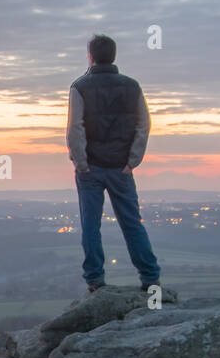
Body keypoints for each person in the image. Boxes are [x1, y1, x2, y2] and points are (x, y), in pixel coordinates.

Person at [66, 34, 161, 294]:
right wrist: (132, 161)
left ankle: (95, 281)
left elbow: (75, 128)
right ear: (114, 55)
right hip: (122, 168)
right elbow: (144, 125)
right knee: (132, 223)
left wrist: (81, 163)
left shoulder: (80, 86)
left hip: (91, 169)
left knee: (91, 225)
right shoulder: (132, 86)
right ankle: (151, 279)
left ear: (90, 56)